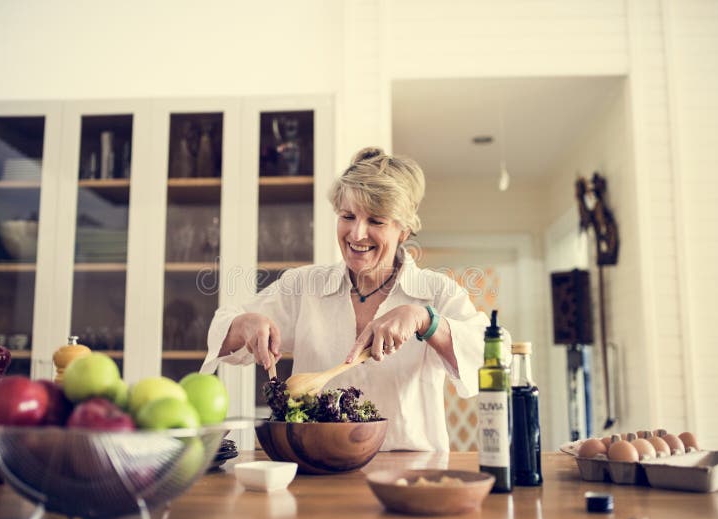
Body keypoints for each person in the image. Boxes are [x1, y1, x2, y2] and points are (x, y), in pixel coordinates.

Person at [201, 147, 502, 451]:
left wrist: (426, 320)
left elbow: (493, 358)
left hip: (409, 472)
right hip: (316, 466)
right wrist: (244, 325)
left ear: (404, 230)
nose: (357, 234)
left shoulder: (437, 292)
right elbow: (222, 331)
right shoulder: (304, 286)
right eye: (348, 216)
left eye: (376, 221)